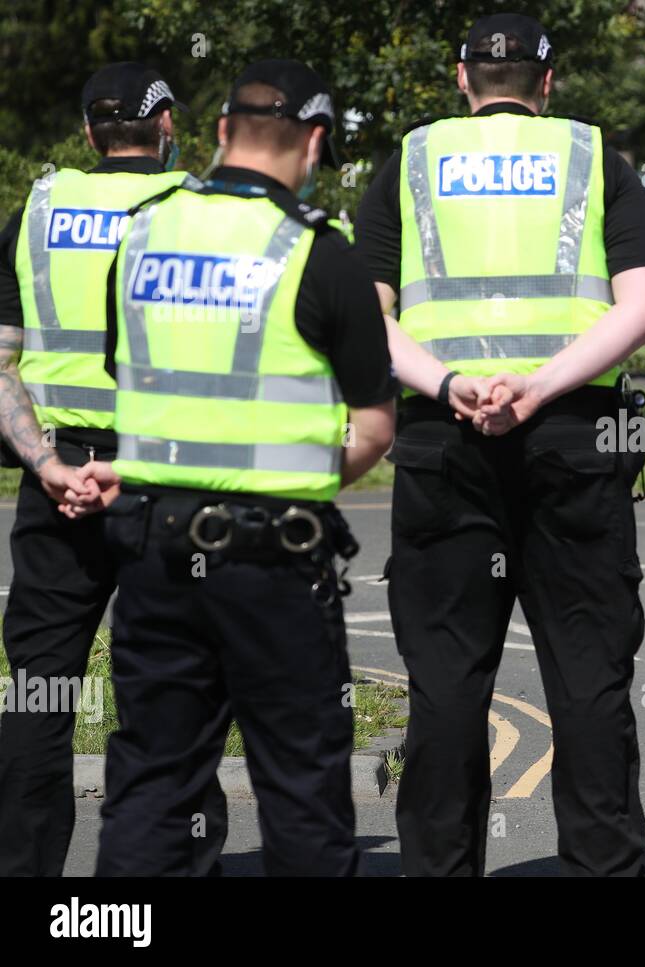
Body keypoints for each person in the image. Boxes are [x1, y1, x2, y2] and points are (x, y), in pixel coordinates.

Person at [354, 12, 645, 876]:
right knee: (590, 677)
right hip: (572, 438)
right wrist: (541, 385)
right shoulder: (595, 158)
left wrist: (453, 386)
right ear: (548, 81)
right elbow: (642, 307)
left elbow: (364, 317)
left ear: (462, 79)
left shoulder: (410, 163)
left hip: (444, 439)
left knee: (448, 685)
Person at [72, 58, 397, 875]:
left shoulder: (142, 234)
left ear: (218, 133)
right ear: (316, 140)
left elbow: (132, 378)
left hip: (151, 546)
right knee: (302, 788)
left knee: (150, 781)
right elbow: (372, 428)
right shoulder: (325, 258)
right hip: (274, 561)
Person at [0, 63, 228, 877]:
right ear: (164, 124)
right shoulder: (198, 213)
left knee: (39, 694)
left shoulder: (41, 207)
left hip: (54, 479)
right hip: (163, 483)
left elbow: (1, 362)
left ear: (92, 133)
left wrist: (49, 464)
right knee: (172, 694)